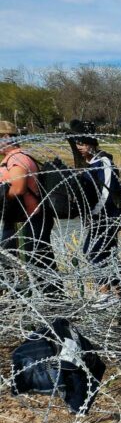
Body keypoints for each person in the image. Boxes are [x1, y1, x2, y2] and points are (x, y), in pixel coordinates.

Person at [71, 123, 121, 307]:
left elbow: (107, 192)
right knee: (107, 252)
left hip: (111, 214)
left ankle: (105, 294)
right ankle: (118, 294)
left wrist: (93, 213)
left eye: (83, 143)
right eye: (77, 143)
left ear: (92, 143)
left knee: (94, 250)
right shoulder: (88, 165)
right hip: (100, 215)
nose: (80, 147)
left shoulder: (103, 162)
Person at [0, 120, 60, 295]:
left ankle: (51, 302)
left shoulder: (17, 158)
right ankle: (30, 300)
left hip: (27, 221)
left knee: (36, 263)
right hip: (20, 220)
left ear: (6, 137)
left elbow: (18, 188)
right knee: (21, 262)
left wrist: (2, 196)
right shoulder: (15, 158)